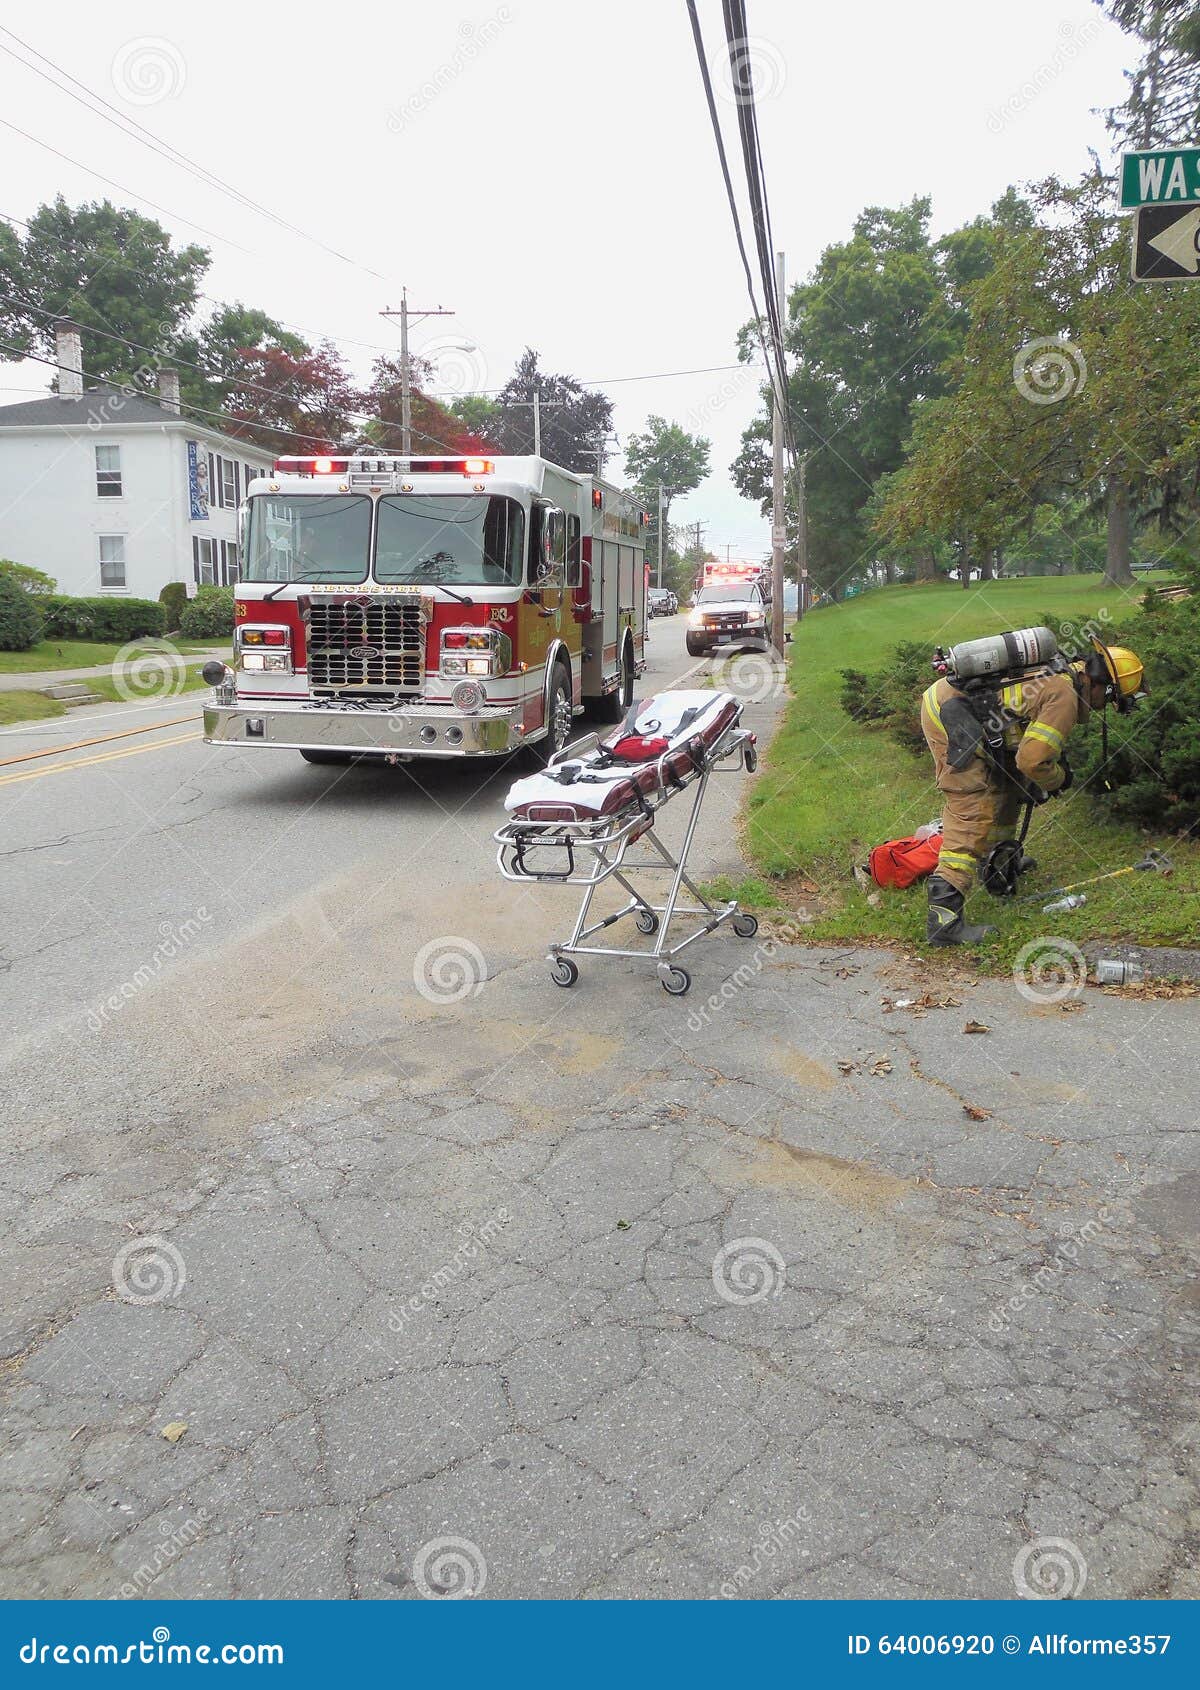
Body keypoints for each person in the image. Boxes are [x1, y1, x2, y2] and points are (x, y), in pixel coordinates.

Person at [920, 637, 1145, 945]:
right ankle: (943, 921)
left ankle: (998, 868)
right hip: (949, 716)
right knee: (972, 810)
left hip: (969, 715)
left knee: (1007, 792)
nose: (1104, 707)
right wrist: (1057, 779)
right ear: (1101, 686)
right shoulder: (1065, 694)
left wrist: (1032, 776)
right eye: (1110, 699)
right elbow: (1032, 760)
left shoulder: (1062, 677)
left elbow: (1019, 740)